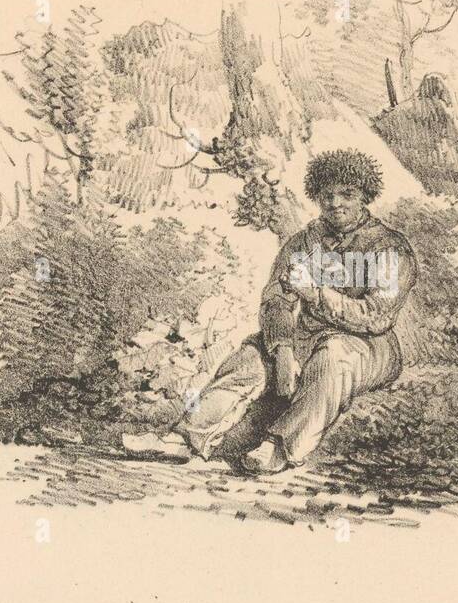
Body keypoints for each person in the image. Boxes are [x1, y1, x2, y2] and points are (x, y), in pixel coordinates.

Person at [121, 149, 416, 475]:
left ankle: (281, 447)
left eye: (347, 194)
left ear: (365, 196)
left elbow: (375, 316)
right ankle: (183, 438)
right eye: (327, 195)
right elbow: (275, 301)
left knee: (333, 356)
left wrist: (314, 294)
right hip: (304, 335)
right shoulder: (304, 242)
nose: (335, 203)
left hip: (369, 347)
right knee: (251, 356)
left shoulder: (389, 247)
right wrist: (283, 348)